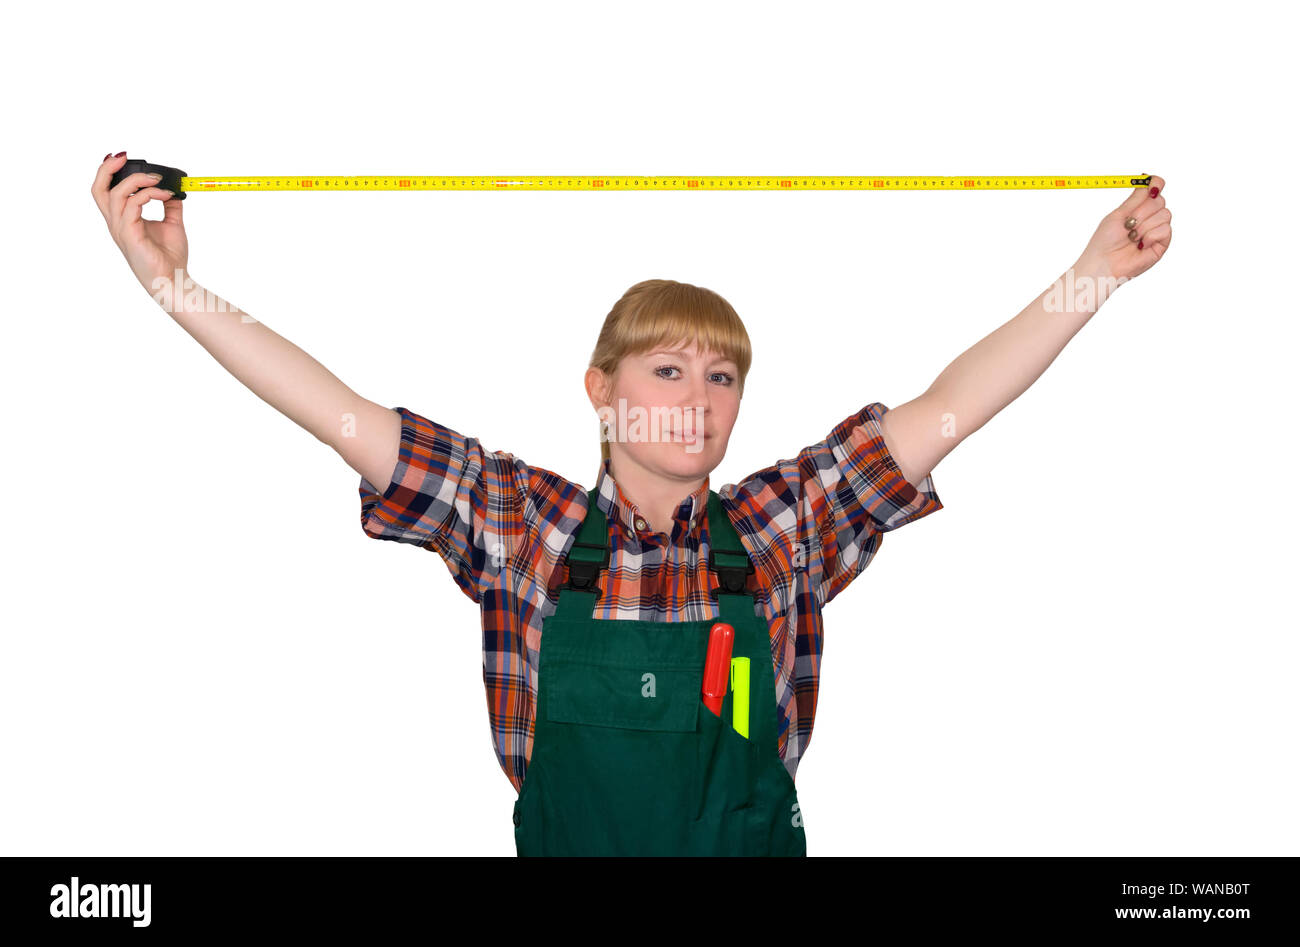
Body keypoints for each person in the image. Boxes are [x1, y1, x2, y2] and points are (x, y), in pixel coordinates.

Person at [91, 153, 1173, 855]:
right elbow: (332, 410)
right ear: (600, 390)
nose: (697, 402)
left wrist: (1095, 273)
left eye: (720, 376)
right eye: (666, 372)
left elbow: (951, 407)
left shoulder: (783, 523)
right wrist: (170, 285)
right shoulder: (518, 520)